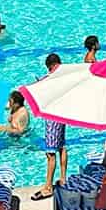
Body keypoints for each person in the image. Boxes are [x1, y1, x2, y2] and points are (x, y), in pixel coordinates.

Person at [34, 53, 67, 197]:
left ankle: (48, 187)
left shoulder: (48, 79)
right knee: (62, 147)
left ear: (51, 66)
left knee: (50, 153)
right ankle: (63, 179)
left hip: (52, 118)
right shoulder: (65, 78)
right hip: (62, 115)